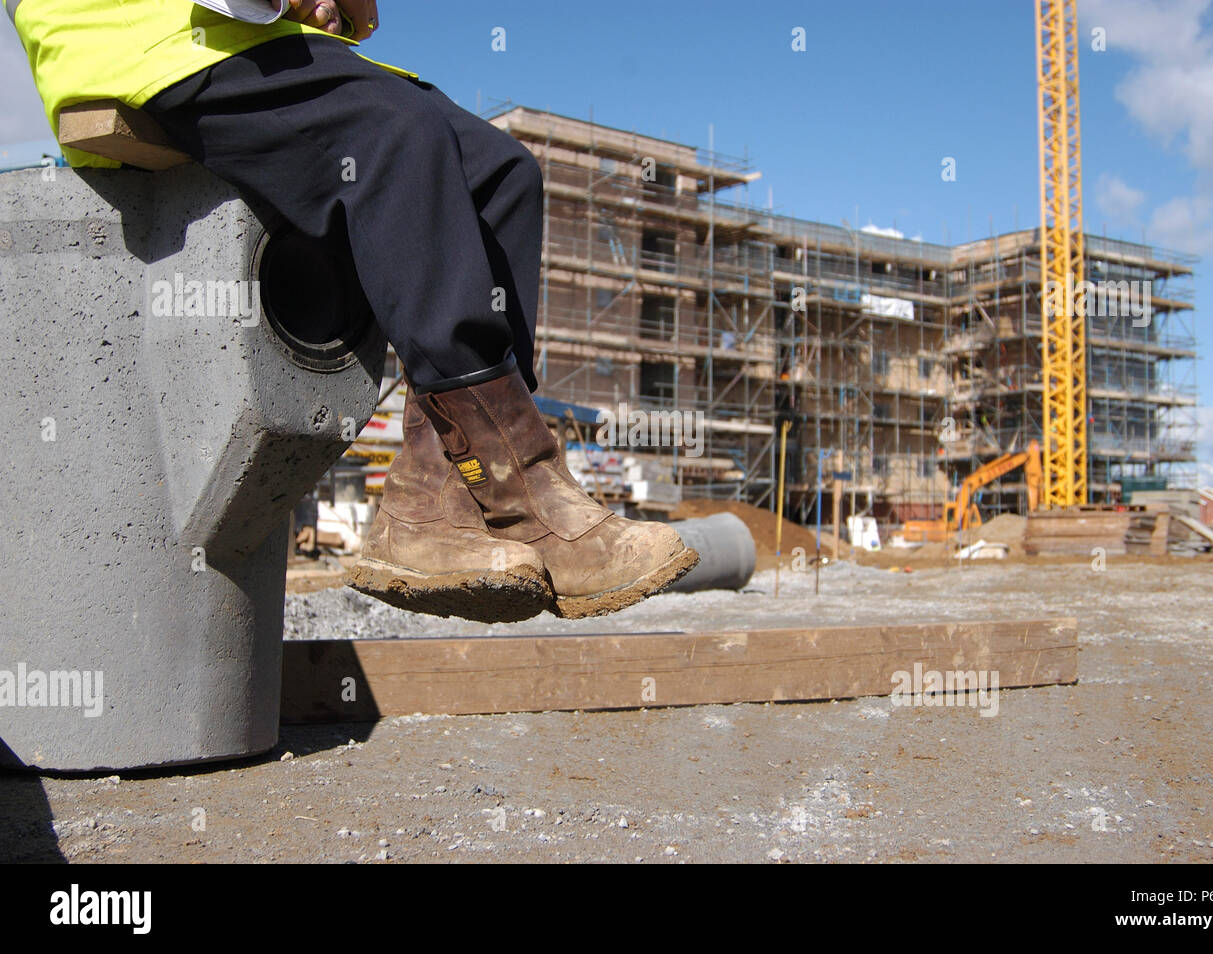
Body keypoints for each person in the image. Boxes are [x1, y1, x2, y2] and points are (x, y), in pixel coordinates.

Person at [8, 0, 697, 622]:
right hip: (143, 34)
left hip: (253, 37)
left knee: (504, 173)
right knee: (396, 135)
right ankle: (526, 488)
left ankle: (441, 502)